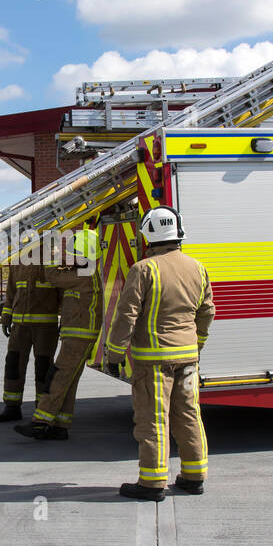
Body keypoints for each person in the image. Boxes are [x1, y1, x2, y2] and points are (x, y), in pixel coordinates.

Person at [104, 206, 214, 501]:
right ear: (178, 233)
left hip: (154, 362)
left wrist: (114, 356)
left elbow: (126, 315)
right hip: (189, 359)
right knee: (189, 415)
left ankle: (152, 483)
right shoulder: (197, 268)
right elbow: (206, 312)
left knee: (154, 420)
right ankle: (194, 477)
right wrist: (197, 343)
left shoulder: (144, 269)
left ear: (148, 235)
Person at [14, 218, 102, 440]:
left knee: (59, 376)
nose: (69, 253)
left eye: (73, 249)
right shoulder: (84, 270)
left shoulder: (83, 274)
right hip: (80, 334)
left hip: (79, 336)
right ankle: (61, 426)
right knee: (69, 380)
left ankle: (40, 422)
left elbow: (52, 276)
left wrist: (49, 253)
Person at [0, 238, 61, 422]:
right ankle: (12, 407)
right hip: (20, 326)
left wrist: (66, 321)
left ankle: (42, 408)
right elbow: (11, 291)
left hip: (45, 325)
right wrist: (6, 316)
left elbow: (63, 293)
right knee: (13, 364)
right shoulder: (19, 258)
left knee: (43, 367)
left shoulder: (53, 257)